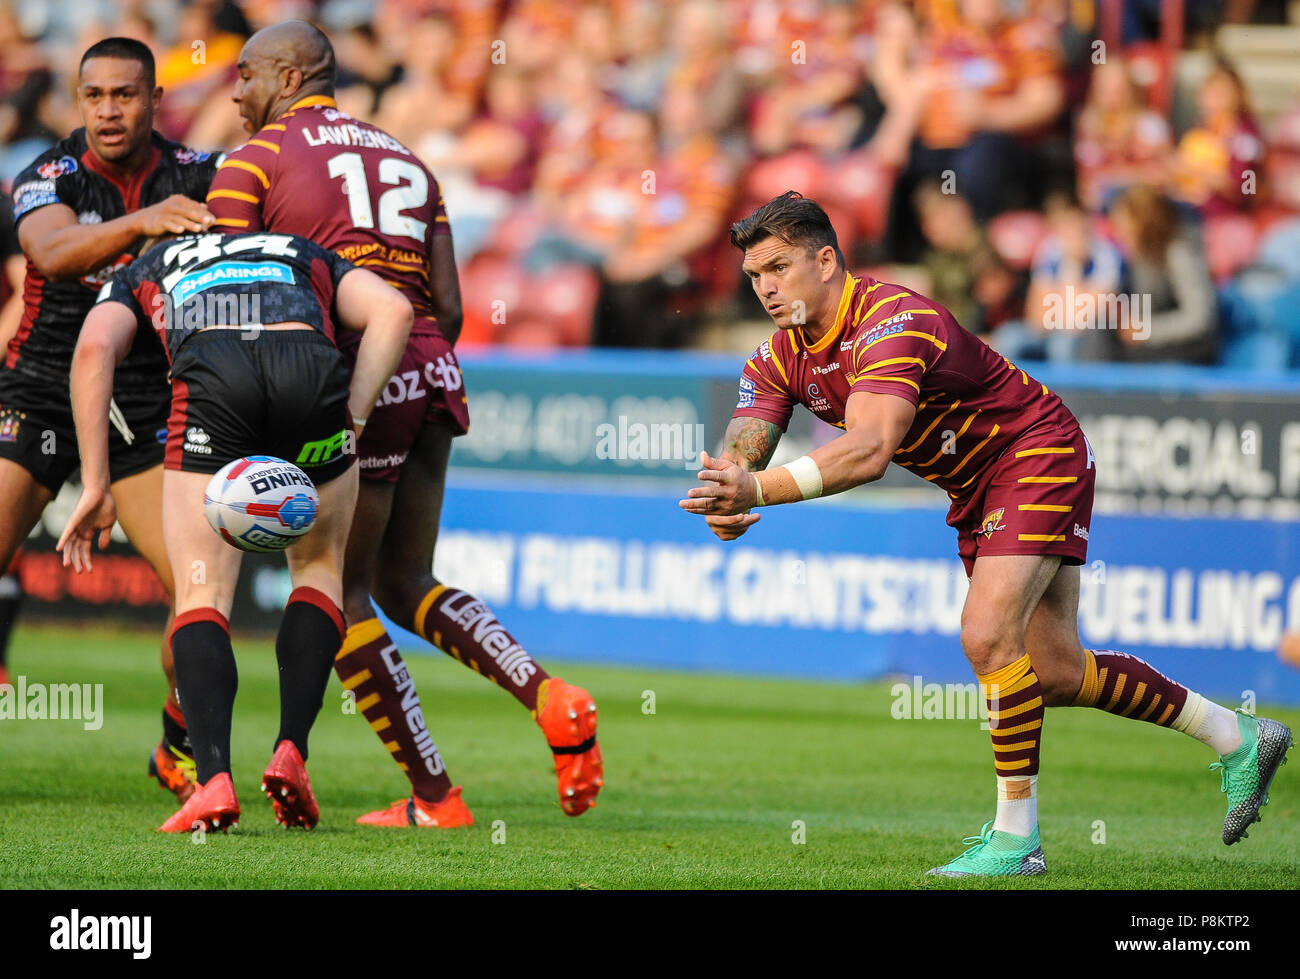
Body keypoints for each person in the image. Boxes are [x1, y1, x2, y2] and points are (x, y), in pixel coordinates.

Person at [680, 191, 1293, 876]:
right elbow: (742, 451)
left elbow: (870, 448)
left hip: (1034, 451)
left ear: (826, 260)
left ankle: (1015, 840)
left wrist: (758, 489)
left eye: (779, 267)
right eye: (755, 275)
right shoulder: (776, 357)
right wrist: (725, 493)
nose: (765, 287)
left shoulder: (890, 320)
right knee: (1055, 670)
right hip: (978, 485)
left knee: (985, 632)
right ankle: (1238, 735)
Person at [204, 21, 602, 827]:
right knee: (403, 579)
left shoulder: (251, 162)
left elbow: (232, 298)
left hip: (349, 368)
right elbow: (451, 306)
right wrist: (413, 366)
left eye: (244, 74)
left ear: (288, 76)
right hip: (429, 361)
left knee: (339, 588)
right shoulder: (411, 161)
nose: (233, 91)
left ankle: (436, 796)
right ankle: (550, 694)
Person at [58, 229, 412, 833]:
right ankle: (292, 750)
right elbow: (394, 310)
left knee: (200, 592)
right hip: (310, 370)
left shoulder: (150, 261)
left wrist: (96, 482)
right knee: (320, 569)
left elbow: (94, 350)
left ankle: (214, 779)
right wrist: (352, 415)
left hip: (214, 374)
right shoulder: (299, 249)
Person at [4, 37, 219, 802]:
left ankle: (177, 742)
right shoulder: (47, 175)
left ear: (155, 98)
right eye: (94, 96)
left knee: (198, 591)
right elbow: (55, 254)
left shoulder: (198, 176)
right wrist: (149, 222)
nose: (108, 111)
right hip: (38, 388)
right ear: (77, 98)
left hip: (143, 400)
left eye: (124, 95)